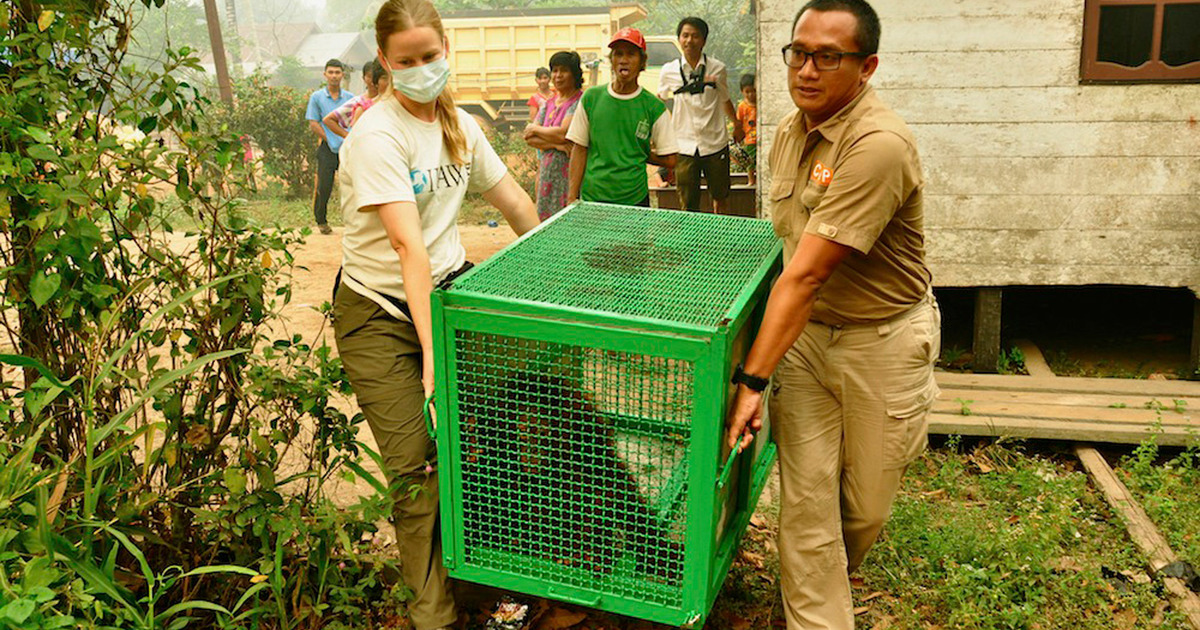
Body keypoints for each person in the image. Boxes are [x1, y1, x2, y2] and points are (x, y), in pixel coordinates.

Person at [724, 1, 939, 628]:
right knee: (808, 504)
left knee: (863, 509)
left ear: (866, 66)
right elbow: (786, 247)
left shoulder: (879, 146)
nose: (807, 70)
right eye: (799, 52)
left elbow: (810, 270)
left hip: (884, 341)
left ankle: (821, 582)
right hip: (809, 338)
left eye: (828, 57)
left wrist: (751, 381)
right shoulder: (791, 132)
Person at [333, 0, 539, 628]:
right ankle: (436, 615)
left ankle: (503, 582)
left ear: (446, 51)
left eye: (430, 56)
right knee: (417, 467)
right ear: (386, 64)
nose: (421, 69)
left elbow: (517, 207)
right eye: (406, 62)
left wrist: (557, 288)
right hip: (379, 310)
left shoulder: (462, 127)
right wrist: (431, 365)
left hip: (453, 292)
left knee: (514, 421)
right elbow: (406, 250)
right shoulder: (377, 136)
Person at [566, 28, 678, 207]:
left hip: (635, 201)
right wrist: (572, 197)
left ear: (643, 62)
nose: (624, 60)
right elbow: (579, 149)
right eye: (618, 54)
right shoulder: (590, 98)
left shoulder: (654, 107)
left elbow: (671, 159)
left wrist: (641, 153)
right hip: (592, 199)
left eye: (631, 54)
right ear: (611, 61)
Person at [656, 17, 742, 213]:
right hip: (683, 145)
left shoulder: (717, 68)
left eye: (695, 36)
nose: (689, 40)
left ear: (703, 40)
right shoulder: (668, 70)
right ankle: (692, 241)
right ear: (679, 39)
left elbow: (725, 98)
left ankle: (720, 237)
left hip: (715, 143)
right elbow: (659, 102)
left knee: (720, 197)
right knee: (688, 202)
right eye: (685, 35)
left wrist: (736, 124)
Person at [522, 51, 584, 219]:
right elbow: (529, 138)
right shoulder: (548, 103)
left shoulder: (580, 101)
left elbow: (564, 133)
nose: (558, 75)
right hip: (547, 175)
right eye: (554, 70)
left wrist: (536, 129)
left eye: (563, 70)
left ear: (574, 74)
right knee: (545, 221)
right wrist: (556, 145)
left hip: (570, 175)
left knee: (569, 221)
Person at [306, 59, 356, 235]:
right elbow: (313, 123)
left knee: (352, 185)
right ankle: (321, 220)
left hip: (347, 148)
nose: (334, 76)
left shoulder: (350, 98)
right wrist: (329, 139)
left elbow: (355, 121)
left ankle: (353, 221)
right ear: (325, 74)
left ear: (342, 75)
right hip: (327, 148)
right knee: (324, 186)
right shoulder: (317, 97)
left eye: (337, 72)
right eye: (331, 72)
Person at [324, 60, 389, 139]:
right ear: (363, 78)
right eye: (369, 76)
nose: (372, 81)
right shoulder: (359, 103)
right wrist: (348, 137)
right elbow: (328, 120)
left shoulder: (389, 102)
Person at [737, 73, 758, 186]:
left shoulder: (761, 104)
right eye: (747, 92)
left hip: (761, 139)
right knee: (749, 161)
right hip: (749, 139)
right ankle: (751, 180)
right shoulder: (742, 107)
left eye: (753, 91)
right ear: (742, 92)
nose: (751, 94)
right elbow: (738, 122)